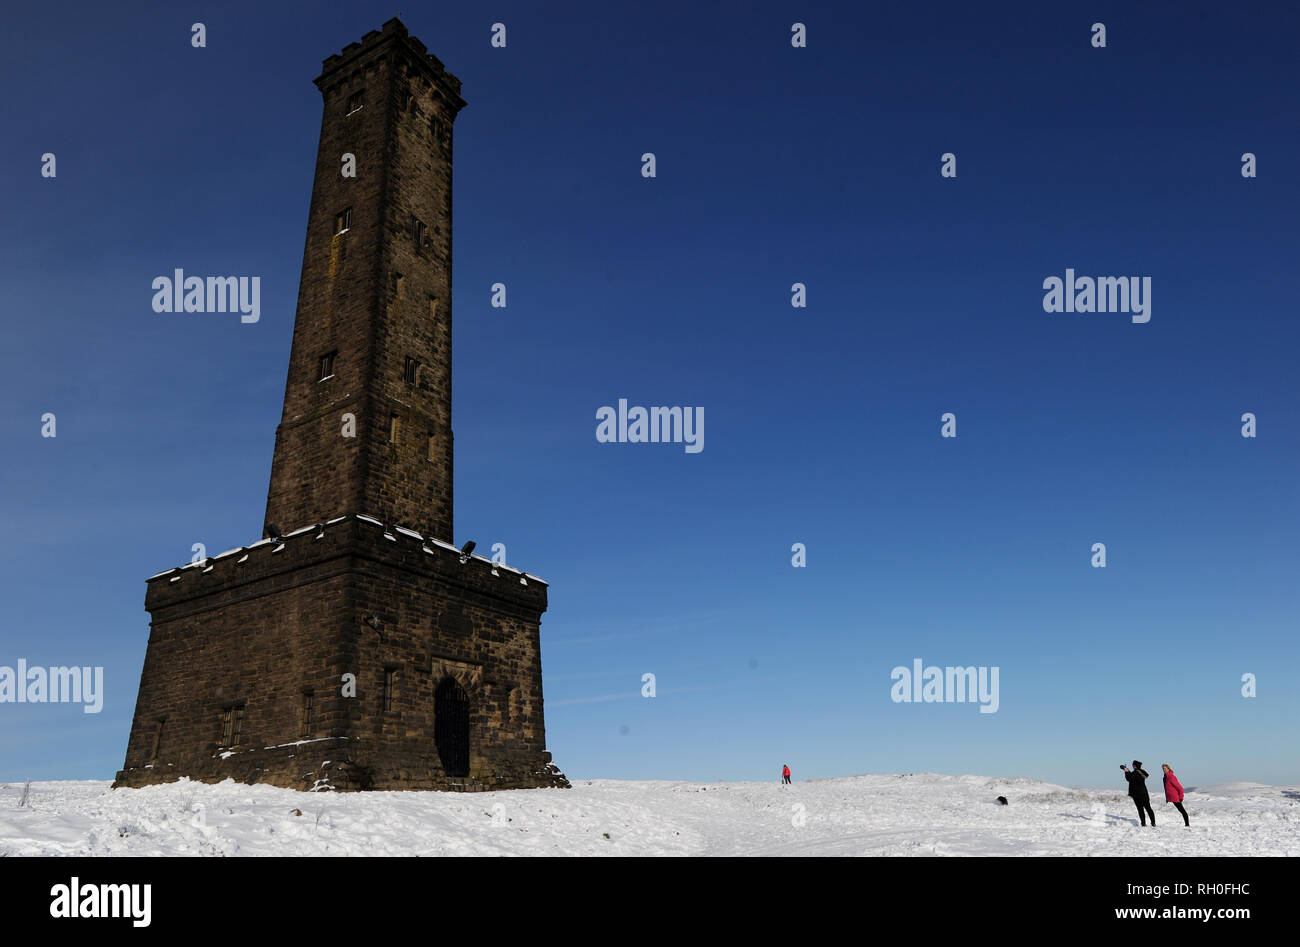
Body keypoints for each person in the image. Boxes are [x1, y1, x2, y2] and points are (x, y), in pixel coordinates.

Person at [1121, 760, 1155, 827]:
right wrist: (1128, 771)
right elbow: (1134, 777)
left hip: (1137, 794)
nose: (1132, 766)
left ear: (1134, 766)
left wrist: (1126, 771)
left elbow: (1129, 778)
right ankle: (1153, 822)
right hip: (1144, 793)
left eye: (1133, 765)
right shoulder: (1141, 772)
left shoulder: (1135, 772)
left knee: (1140, 809)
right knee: (1148, 808)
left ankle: (1143, 823)